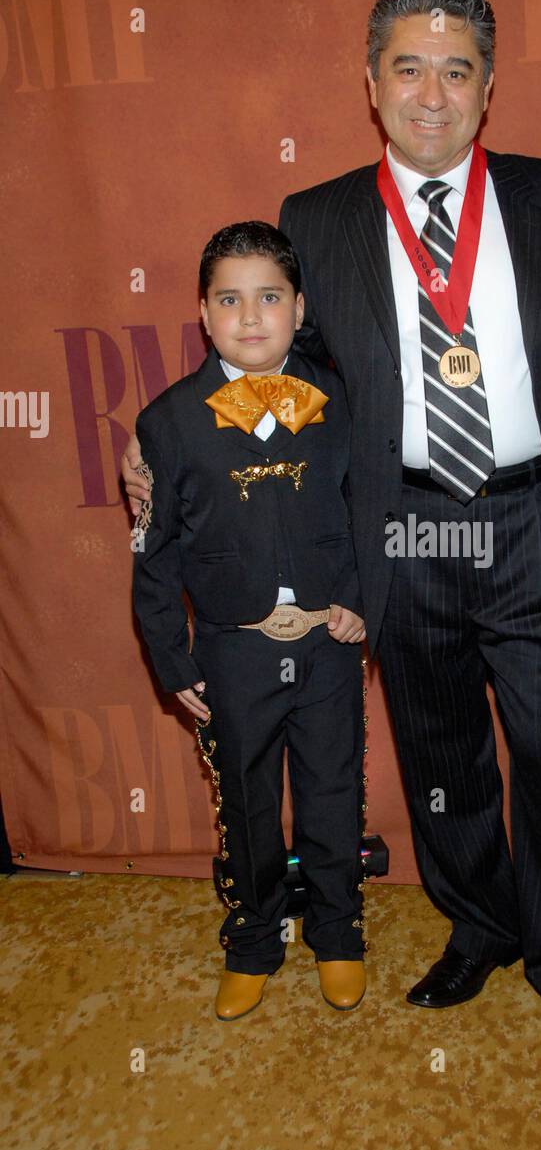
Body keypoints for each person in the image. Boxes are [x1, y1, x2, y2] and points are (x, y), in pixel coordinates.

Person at [122, 0, 541, 1067]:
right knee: (441, 753)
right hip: (398, 534)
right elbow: (277, 356)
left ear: (486, 92)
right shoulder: (314, 219)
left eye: (458, 69)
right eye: (408, 67)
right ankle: (477, 927)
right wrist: (165, 437)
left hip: (536, 520)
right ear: (371, 84)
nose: (433, 92)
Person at [132, 220, 367, 1022]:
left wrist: (361, 602)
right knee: (246, 803)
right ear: (203, 313)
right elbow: (154, 553)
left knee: (333, 794)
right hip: (232, 655)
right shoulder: (168, 421)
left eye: (269, 297)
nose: (251, 315)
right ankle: (254, 938)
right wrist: (173, 658)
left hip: (329, 647)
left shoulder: (344, 401)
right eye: (230, 299)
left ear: (300, 308)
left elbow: (373, 514)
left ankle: (337, 932)